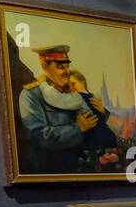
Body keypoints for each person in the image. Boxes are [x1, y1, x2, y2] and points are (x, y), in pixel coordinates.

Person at [17, 45, 117, 174]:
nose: (66, 71)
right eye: (60, 66)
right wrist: (77, 129)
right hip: (52, 171)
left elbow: (93, 123)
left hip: (83, 167)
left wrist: (102, 113)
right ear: (45, 67)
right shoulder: (31, 95)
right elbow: (40, 136)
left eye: (67, 66)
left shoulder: (73, 92)